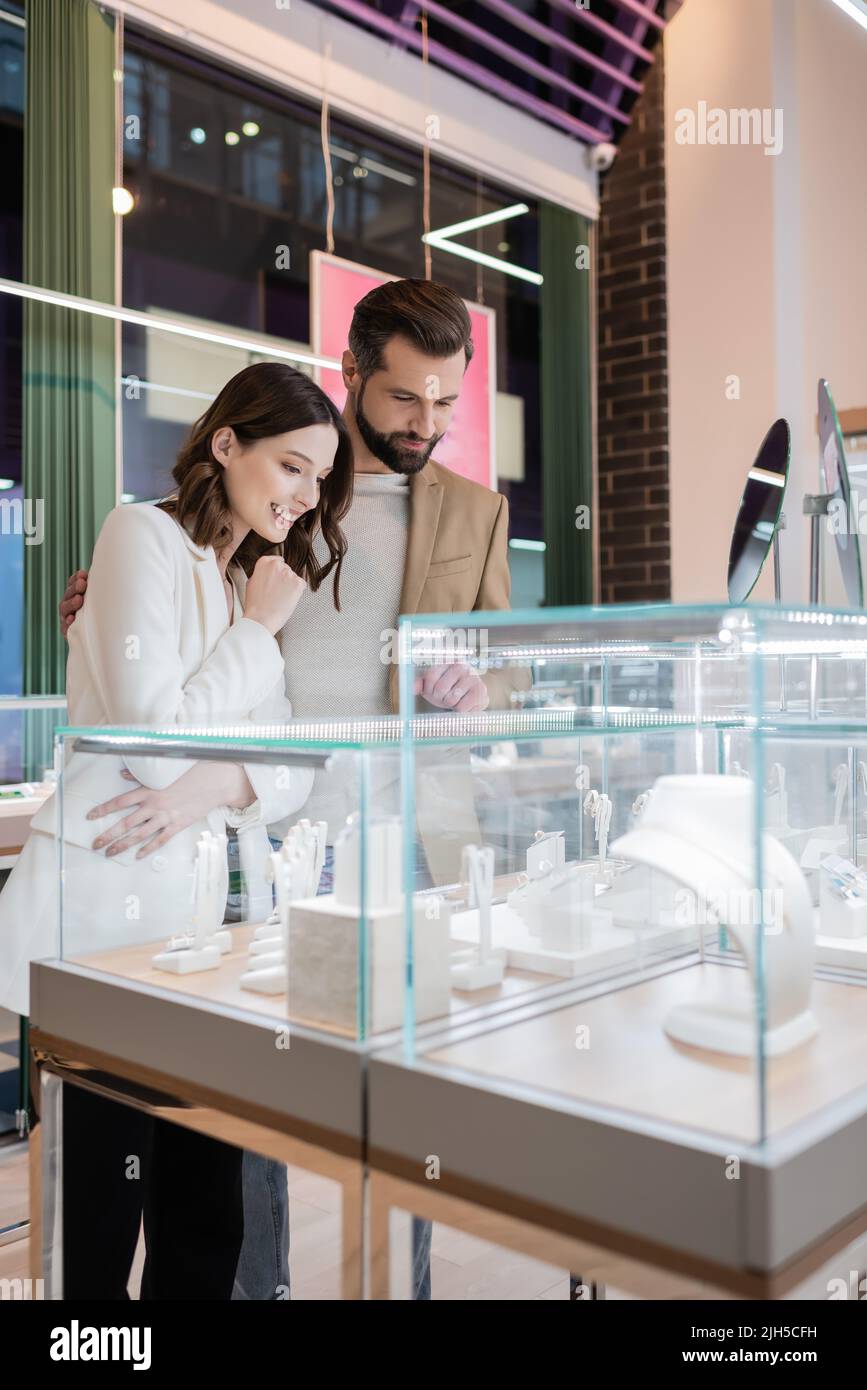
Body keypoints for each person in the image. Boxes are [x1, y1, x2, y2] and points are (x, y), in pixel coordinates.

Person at [61, 277, 529, 1299]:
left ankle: (399, 1287)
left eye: (447, 403)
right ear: (353, 372)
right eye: (407, 397)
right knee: (242, 1120)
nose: (427, 424)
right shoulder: (272, 508)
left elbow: (508, 663)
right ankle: (256, 1291)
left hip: (403, 838)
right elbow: (187, 638)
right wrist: (109, 619)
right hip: (259, 843)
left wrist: (479, 682)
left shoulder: (476, 512)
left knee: (402, 1103)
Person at [6, 360, 353, 1297]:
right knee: (98, 1220)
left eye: (318, 479)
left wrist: (200, 794)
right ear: (226, 443)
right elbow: (152, 743)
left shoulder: (242, 578)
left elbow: (288, 772)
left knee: (208, 1214)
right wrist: (255, 635)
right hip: (114, 932)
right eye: (291, 466)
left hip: (216, 935)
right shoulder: (142, 537)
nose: (304, 497)